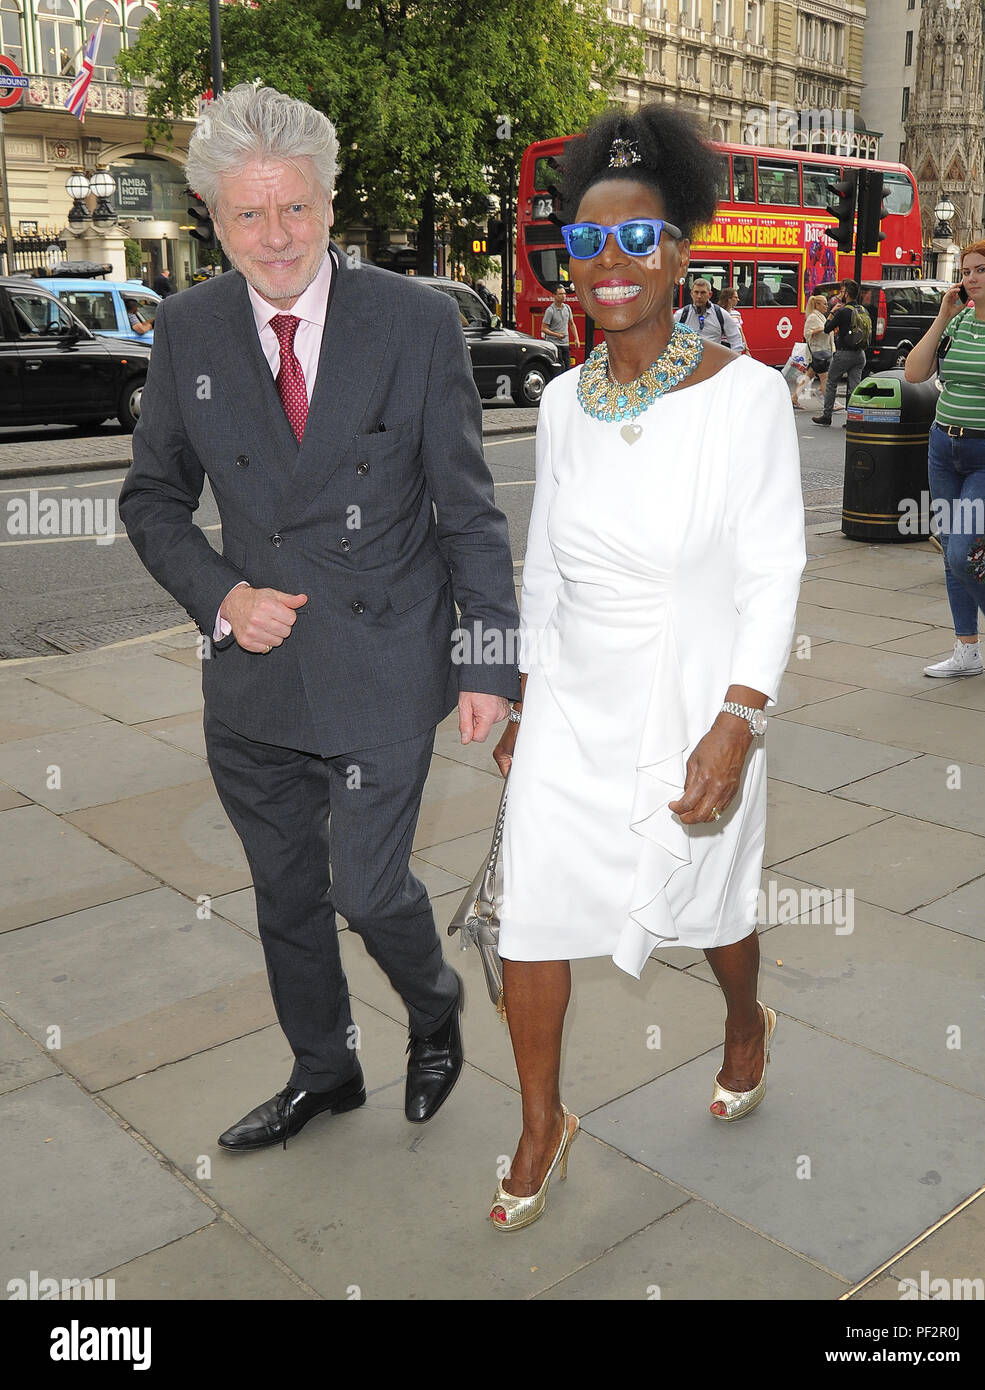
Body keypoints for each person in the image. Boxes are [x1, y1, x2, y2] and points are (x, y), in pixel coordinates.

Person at [119, 84, 520, 1152]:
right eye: (247, 214)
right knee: (287, 890)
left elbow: (467, 510)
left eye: (293, 207)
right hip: (252, 673)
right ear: (212, 217)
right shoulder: (189, 326)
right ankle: (323, 1066)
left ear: (328, 203)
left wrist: (489, 662)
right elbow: (151, 498)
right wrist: (221, 597)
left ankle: (432, 1004)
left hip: (384, 658)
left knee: (367, 884)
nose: (275, 236)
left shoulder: (415, 321)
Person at [488, 105, 806, 1232]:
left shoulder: (747, 396)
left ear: (677, 252)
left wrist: (738, 717)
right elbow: (542, 569)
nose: (609, 263)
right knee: (528, 908)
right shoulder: (562, 404)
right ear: (566, 262)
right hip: (575, 698)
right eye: (586, 244)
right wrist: (523, 697)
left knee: (706, 902)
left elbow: (773, 568)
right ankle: (540, 1122)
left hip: (690, 690)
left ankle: (744, 1019)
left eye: (636, 240)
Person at [904, 239, 985, 676]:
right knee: (951, 547)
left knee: (963, 552)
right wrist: (942, 316)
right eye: (966, 271)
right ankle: (966, 649)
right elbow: (914, 373)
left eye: (981, 270)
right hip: (943, 445)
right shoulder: (959, 320)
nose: (970, 278)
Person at [811, 279, 865, 426]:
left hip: (844, 353)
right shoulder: (861, 309)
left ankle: (827, 416)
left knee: (831, 382)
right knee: (855, 386)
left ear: (847, 294)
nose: (841, 294)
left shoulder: (843, 311)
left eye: (842, 291)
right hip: (860, 354)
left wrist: (832, 313)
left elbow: (827, 328)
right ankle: (854, 419)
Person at [676, 276, 745, 352]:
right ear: (691, 294)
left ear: (710, 294)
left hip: (714, 362)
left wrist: (734, 359)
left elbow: (736, 338)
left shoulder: (721, 314)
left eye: (703, 293)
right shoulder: (681, 315)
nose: (699, 296)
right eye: (696, 292)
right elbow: (666, 338)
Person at [791, 292, 831, 409]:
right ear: (817, 305)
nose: (826, 306)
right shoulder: (813, 317)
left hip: (821, 352)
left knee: (808, 376)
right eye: (824, 304)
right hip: (817, 352)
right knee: (825, 377)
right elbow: (807, 333)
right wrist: (823, 328)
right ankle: (829, 404)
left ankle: (794, 398)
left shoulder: (821, 316)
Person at [541, 283, 581, 369]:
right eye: (560, 294)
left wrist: (576, 338)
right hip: (554, 343)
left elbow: (571, 323)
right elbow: (544, 328)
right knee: (560, 367)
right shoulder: (550, 310)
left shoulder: (567, 308)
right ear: (554, 295)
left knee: (567, 366)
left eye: (564, 294)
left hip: (565, 343)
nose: (563, 296)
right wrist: (557, 335)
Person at [717, 285, 750, 355]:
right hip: (722, 349)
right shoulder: (717, 313)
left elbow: (741, 333)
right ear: (729, 299)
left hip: (735, 350)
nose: (738, 300)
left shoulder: (737, 314)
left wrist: (747, 350)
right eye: (735, 297)